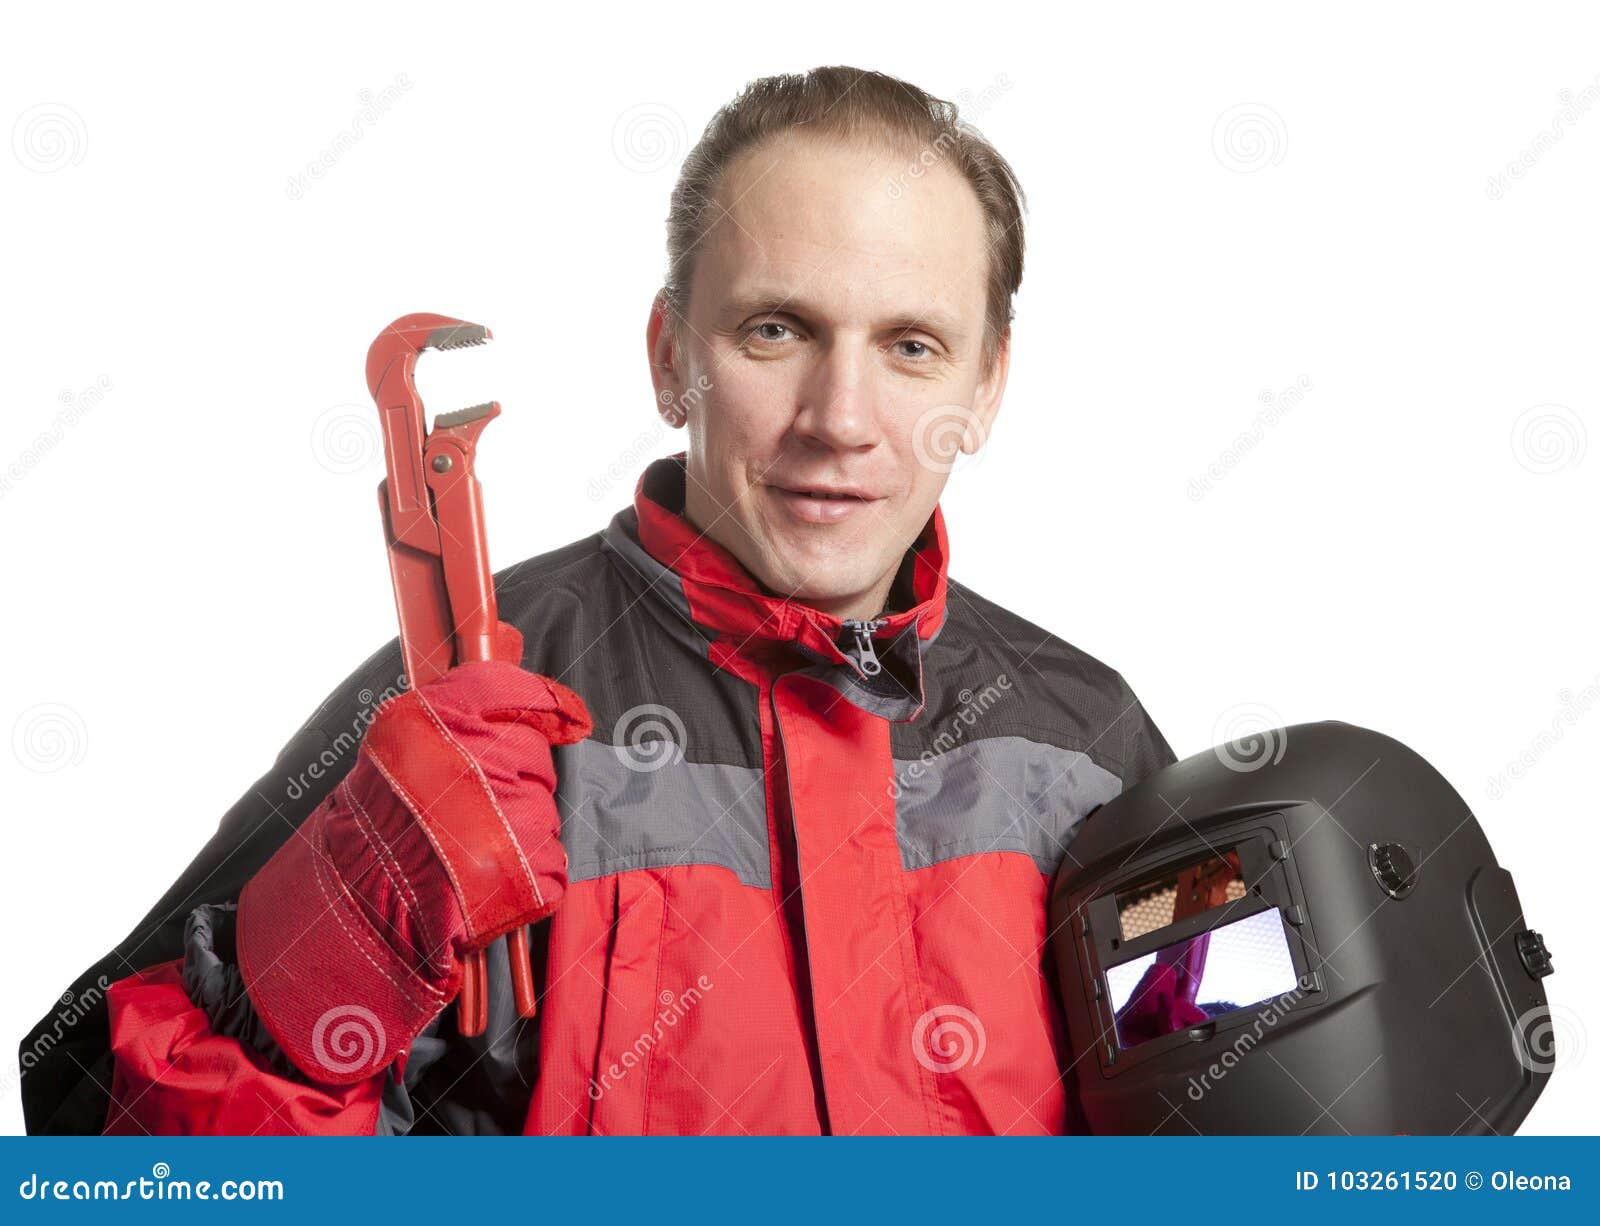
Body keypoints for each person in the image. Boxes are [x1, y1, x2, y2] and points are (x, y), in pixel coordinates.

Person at [20, 65, 1175, 1136]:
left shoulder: (1084, 744)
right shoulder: (461, 704)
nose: (839, 417)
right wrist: (331, 942)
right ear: (670, 357)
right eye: (775, 330)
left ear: (986, 385)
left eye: (912, 346)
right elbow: (91, 1151)